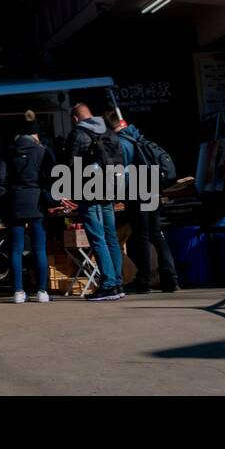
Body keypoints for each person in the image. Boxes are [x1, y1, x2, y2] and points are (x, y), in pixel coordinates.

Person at [105, 110, 180, 294]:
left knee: (142, 237)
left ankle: (143, 281)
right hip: (153, 188)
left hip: (136, 192)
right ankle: (171, 279)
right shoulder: (138, 137)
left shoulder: (121, 143)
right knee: (157, 234)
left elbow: (122, 173)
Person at [59, 103, 125, 301]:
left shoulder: (78, 134)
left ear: (75, 118)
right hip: (110, 190)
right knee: (111, 236)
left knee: (97, 238)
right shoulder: (109, 131)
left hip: (88, 192)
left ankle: (108, 284)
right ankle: (118, 282)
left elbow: (68, 164)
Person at [0, 117, 53, 303]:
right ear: (34, 134)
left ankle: (18, 291)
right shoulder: (42, 152)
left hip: (14, 205)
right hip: (37, 204)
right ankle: (42, 292)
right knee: (39, 248)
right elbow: (51, 178)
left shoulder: (8, 153)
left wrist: (3, 194)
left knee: (16, 249)